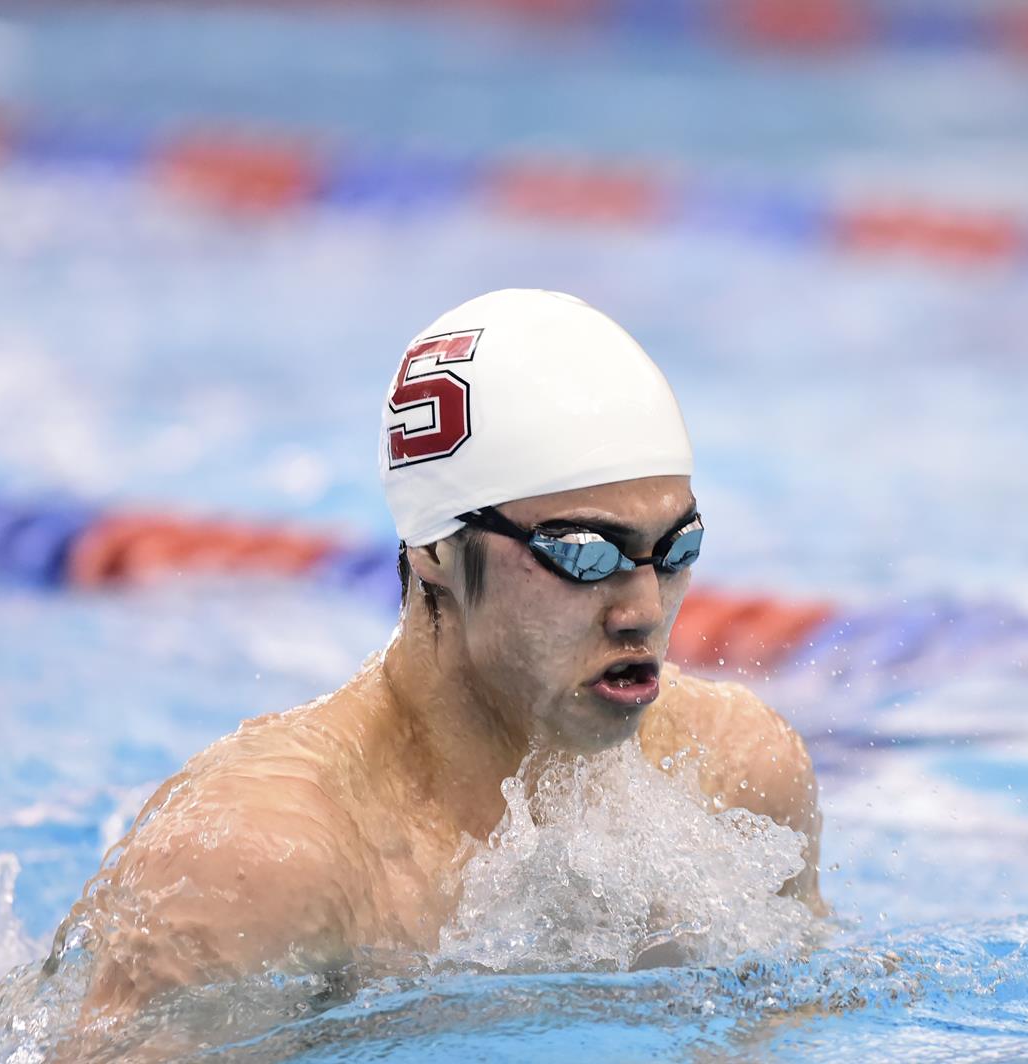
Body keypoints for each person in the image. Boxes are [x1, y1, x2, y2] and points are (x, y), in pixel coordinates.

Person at [51, 289, 824, 1024]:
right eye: (584, 555)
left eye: (676, 548)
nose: (646, 609)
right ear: (434, 549)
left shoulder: (735, 777)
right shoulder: (268, 864)